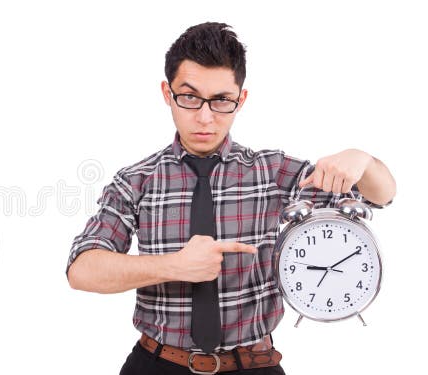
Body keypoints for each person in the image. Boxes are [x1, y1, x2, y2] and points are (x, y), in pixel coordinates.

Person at [66, 22, 395, 375]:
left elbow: (380, 196)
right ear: (167, 93)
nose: (205, 117)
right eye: (189, 97)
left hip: (254, 365)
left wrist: (364, 161)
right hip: (156, 364)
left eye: (221, 100)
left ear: (241, 100)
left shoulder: (273, 172)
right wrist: (174, 266)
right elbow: (82, 269)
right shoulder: (135, 180)